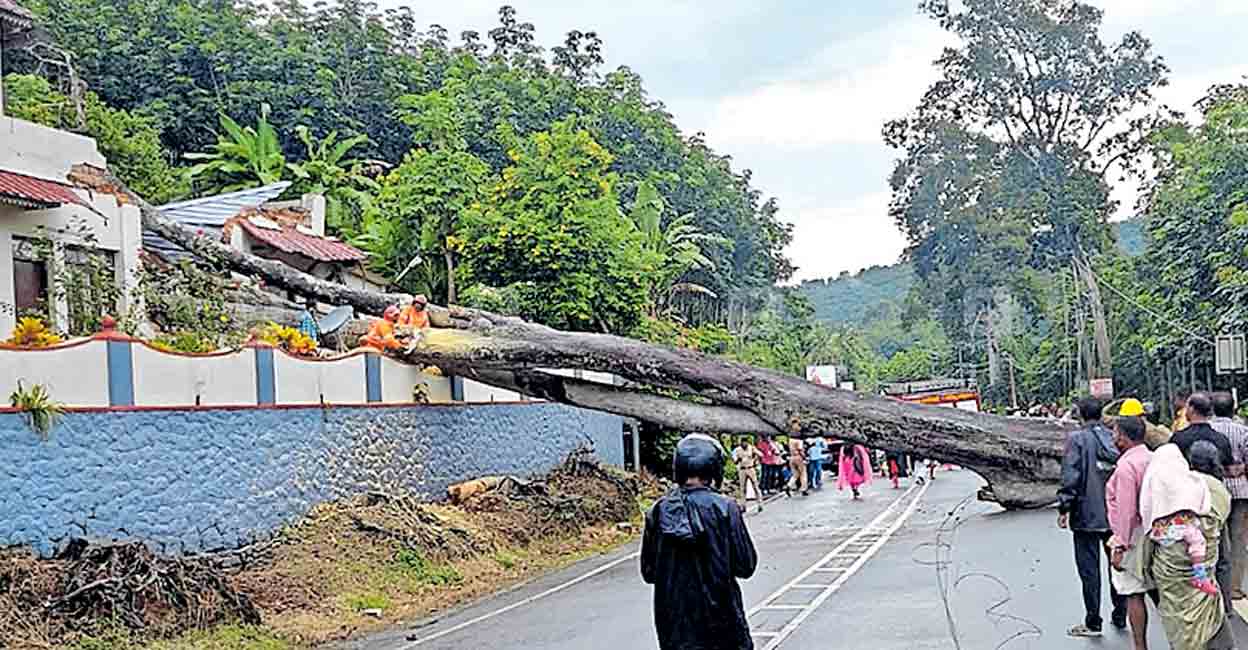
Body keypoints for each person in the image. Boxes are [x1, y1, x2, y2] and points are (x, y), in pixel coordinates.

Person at [641, 434, 758, 650]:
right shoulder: (725, 508)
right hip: (722, 621)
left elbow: (649, 573)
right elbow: (746, 566)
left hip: (675, 626)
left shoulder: (657, 511)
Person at [1143, 441, 1235, 650]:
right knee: (1209, 609)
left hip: (1170, 568)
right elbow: (1216, 532)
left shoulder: (1175, 484)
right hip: (1203, 561)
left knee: (1179, 617)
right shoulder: (1220, 491)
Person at [1057, 397, 1126, 637]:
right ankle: (1120, 615)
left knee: (1089, 570)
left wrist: (1065, 506)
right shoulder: (1114, 436)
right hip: (1115, 514)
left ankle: (1093, 621)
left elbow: (1070, 475)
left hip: (1086, 514)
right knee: (1117, 566)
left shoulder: (1076, 439)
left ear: (1080, 415)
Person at [1173, 392, 1242, 611]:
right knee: (1221, 553)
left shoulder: (1178, 439)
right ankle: (1226, 605)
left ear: (1190, 410)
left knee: (1189, 553)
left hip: (1186, 502)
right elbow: (1230, 468)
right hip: (1215, 503)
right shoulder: (1220, 439)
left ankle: (1192, 602)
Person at [1106, 415, 1155, 650]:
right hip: (1156, 531)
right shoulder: (1153, 458)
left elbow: (1126, 510)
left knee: (1134, 592)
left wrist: (1120, 546)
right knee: (1158, 589)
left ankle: (1140, 646)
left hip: (1133, 534)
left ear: (1124, 438)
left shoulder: (1126, 466)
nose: (1113, 438)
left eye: (1114, 433)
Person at [1209, 392, 1248, 600]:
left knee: (1215, 537)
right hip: (1240, 490)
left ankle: (1216, 583)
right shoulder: (1242, 431)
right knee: (1238, 539)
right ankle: (1234, 587)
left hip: (1215, 491)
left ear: (1212, 409)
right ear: (1233, 409)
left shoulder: (1210, 430)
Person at [733, 438, 764, 513]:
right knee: (742, 488)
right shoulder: (737, 450)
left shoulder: (751, 448)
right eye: (742, 443)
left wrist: (755, 458)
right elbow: (735, 461)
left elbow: (761, 455)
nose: (744, 444)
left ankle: (760, 504)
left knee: (755, 486)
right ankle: (743, 506)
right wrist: (738, 459)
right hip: (742, 469)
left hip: (750, 468)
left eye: (745, 442)